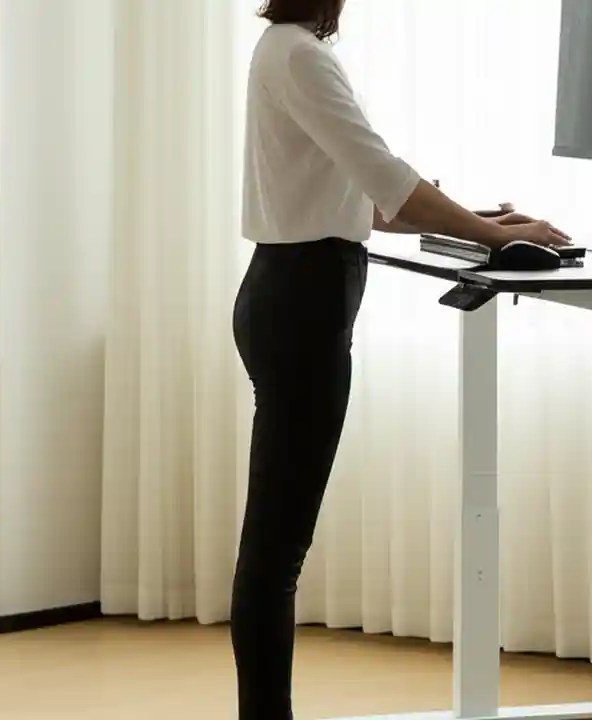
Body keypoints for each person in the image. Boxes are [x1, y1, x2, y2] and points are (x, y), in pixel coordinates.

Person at [232, 1, 570, 717]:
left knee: (275, 542)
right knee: (276, 549)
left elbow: (365, 197)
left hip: (285, 296)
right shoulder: (300, 56)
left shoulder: (282, 49)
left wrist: (482, 222)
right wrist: (491, 235)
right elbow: (386, 178)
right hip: (301, 308)